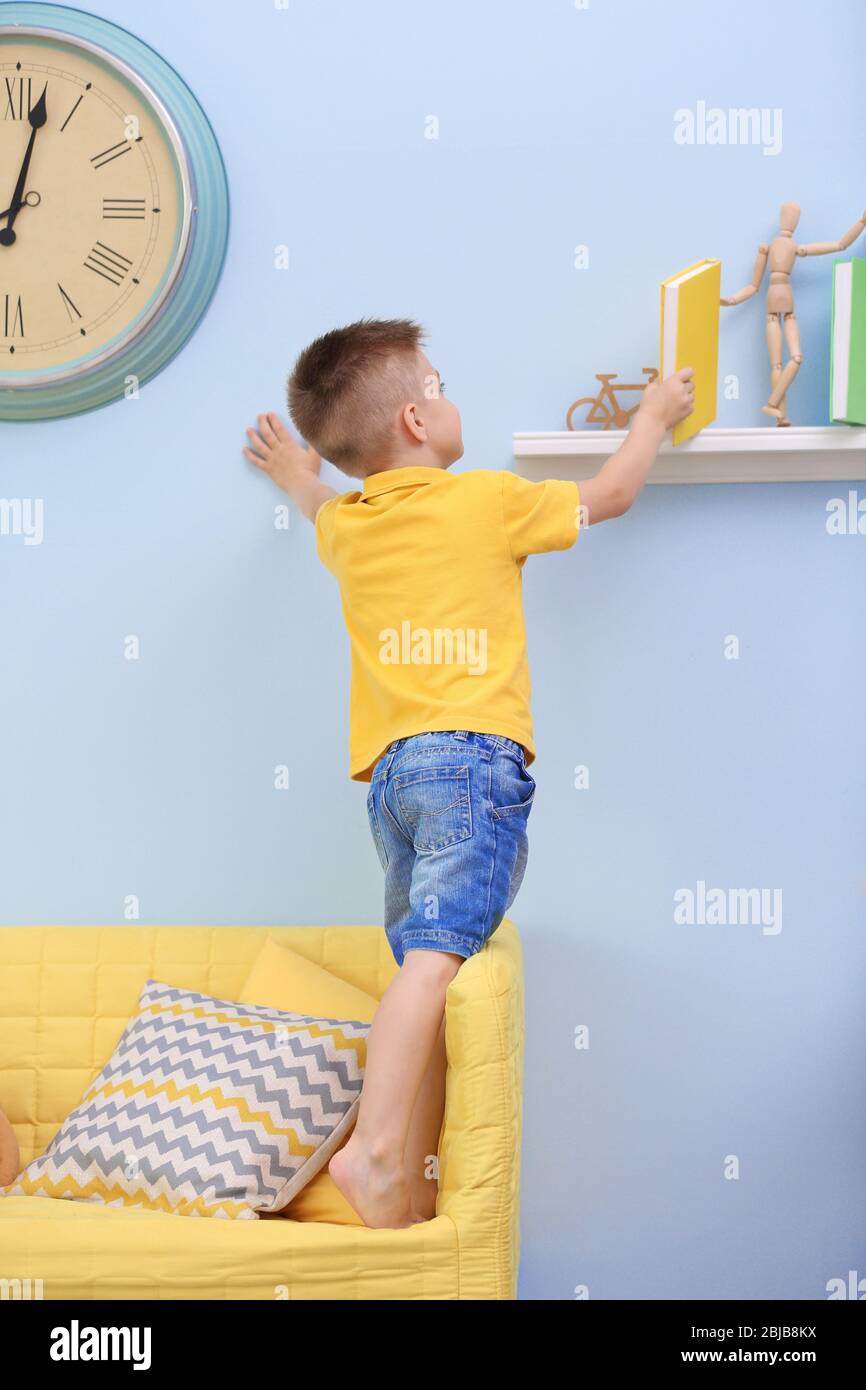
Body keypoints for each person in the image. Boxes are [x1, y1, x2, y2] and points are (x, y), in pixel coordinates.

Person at [244, 318, 694, 1227]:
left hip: (392, 781)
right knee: (435, 966)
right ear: (416, 419)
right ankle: (373, 1152)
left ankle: (405, 1175)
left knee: (422, 963)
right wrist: (654, 414)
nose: (452, 399)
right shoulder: (487, 499)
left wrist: (297, 465)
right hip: (468, 763)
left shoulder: (348, 528)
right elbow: (610, 494)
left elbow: (315, 496)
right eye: (440, 384)